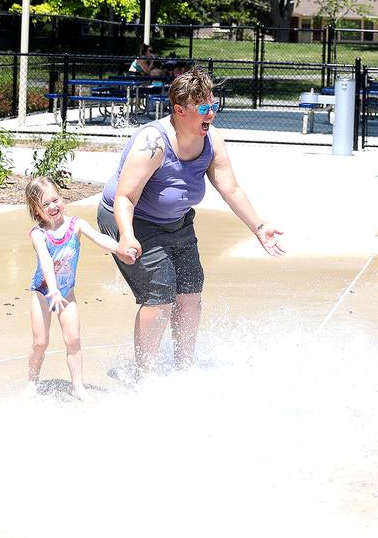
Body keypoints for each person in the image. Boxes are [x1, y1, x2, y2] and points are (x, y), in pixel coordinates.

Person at [98, 66, 285, 374]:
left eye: (213, 106)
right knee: (159, 294)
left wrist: (259, 227)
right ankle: (147, 374)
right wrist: (127, 236)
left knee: (190, 291)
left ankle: (184, 366)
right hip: (132, 219)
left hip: (178, 221)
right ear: (179, 110)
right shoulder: (153, 144)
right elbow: (124, 198)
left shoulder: (212, 141)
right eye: (203, 109)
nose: (211, 114)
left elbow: (230, 188)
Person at [25, 177, 124, 399]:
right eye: (45, 204)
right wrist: (53, 289)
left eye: (55, 199)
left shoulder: (76, 225)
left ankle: (78, 386)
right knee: (40, 342)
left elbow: (99, 238)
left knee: (73, 340)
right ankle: (32, 380)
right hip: (44, 293)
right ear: (37, 210)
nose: (53, 207)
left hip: (67, 293)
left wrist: (120, 249)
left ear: (62, 198)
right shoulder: (39, 234)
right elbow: (46, 261)